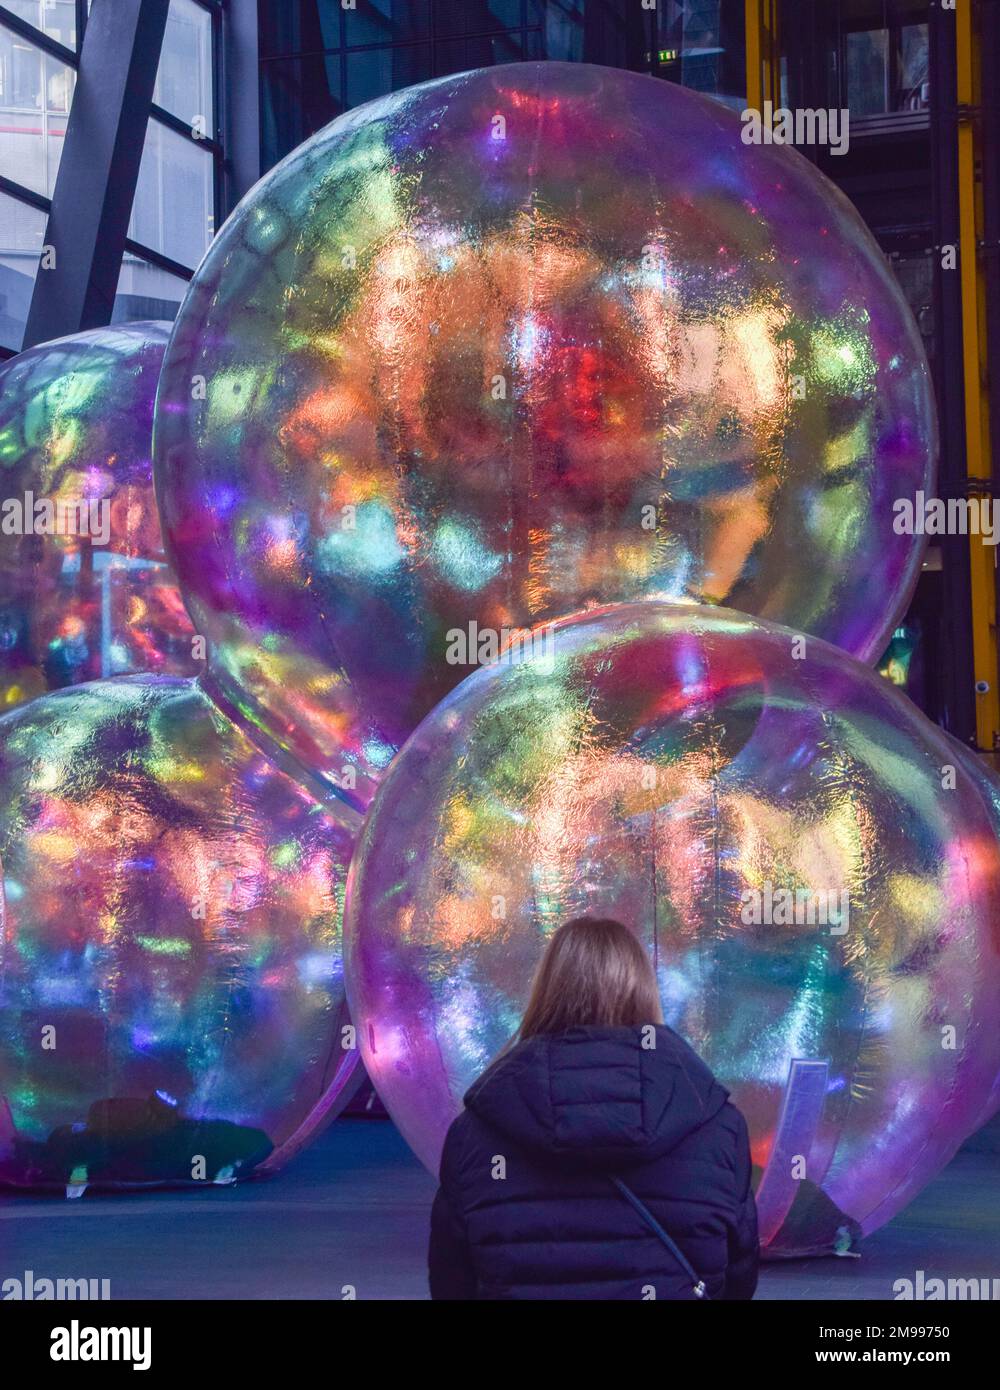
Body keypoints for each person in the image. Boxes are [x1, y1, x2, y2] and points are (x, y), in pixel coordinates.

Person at [428, 916, 759, 1300]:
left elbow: (452, 1280)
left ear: (545, 993)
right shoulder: (718, 1127)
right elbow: (739, 1275)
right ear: (645, 992)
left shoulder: (477, 1132)